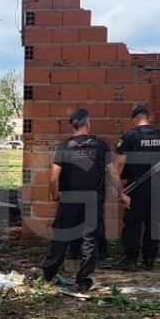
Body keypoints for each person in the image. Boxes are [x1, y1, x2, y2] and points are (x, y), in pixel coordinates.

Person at [39, 109, 113, 291]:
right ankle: (83, 280)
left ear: (73, 127)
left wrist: (56, 195)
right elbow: (113, 171)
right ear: (88, 124)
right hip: (91, 198)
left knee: (61, 236)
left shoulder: (64, 148)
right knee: (89, 239)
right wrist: (122, 193)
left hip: (69, 197)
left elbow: (54, 178)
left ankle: (49, 273)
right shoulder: (100, 146)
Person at [110, 105, 160, 271]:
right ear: (149, 118)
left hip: (136, 187)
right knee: (152, 223)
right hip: (155, 187)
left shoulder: (130, 136)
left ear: (133, 119)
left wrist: (118, 188)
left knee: (133, 224)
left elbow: (121, 163)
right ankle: (149, 259)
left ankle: (130, 260)